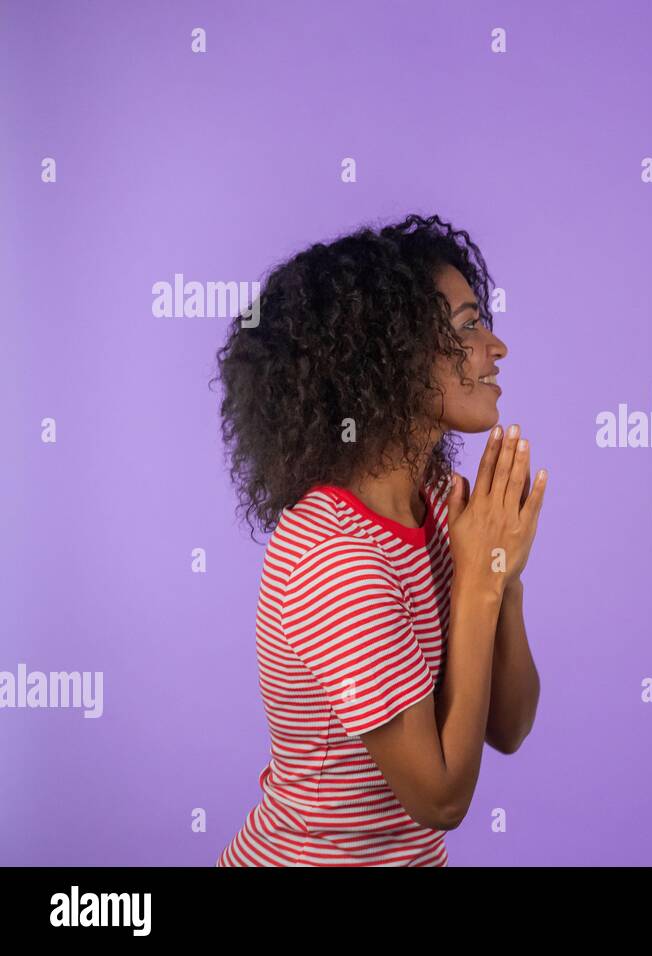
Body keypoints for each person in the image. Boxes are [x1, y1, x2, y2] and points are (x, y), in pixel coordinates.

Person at [212, 214, 546, 866]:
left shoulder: (438, 505)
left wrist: (501, 578)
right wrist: (478, 578)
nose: (496, 347)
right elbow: (440, 798)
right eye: (469, 326)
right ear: (388, 355)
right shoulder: (334, 557)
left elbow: (509, 726)